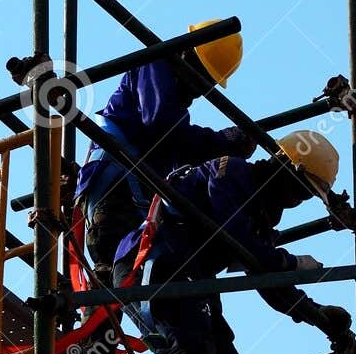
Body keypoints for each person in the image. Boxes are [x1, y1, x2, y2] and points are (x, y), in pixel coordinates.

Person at [123, 129, 355, 354]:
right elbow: (234, 236)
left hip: (182, 268)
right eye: (301, 191)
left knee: (202, 347)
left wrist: (316, 314)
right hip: (157, 261)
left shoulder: (259, 214)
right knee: (193, 344)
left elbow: (268, 281)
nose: (297, 202)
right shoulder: (231, 172)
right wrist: (289, 261)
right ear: (284, 168)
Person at [75, 20, 249, 280]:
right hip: (114, 194)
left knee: (126, 286)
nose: (198, 92)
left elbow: (174, 148)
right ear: (185, 53)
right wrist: (221, 143)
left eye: (207, 85)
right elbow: (162, 125)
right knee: (113, 281)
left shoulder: (172, 99)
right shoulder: (155, 64)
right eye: (200, 76)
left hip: (133, 201)